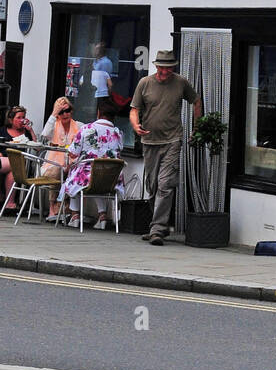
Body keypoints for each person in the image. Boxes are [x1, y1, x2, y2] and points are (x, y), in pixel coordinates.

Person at [130, 48, 201, 246]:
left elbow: (196, 101)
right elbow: (134, 110)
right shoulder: (145, 83)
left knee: (165, 184)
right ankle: (156, 225)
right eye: (162, 69)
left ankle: (157, 230)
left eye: (169, 69)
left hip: (173, 140)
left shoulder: (181, 82)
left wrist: (196, 129)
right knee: (152, 186)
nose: (165, 73)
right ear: (156, 67)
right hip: (149, 141)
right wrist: (136, 126)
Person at [58, 97, 125, 229]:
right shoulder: (118, 133)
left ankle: (75, 216)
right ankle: (103, 216)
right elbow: (119, 151)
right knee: (99, 178)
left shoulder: (86, 129)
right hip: (112, 178)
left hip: (88, 177)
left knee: (75, 175)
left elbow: (73, 152)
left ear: (99, 113)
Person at [40, 97, 80, 221]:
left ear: (71, 111)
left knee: (76, 172)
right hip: (51, 166)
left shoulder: (78, 126)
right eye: (61, 112)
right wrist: (53, 113)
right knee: (58, 170)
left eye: (67, 110)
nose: (64, 114)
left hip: (71, 165)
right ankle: (53, 207)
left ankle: (69, 209)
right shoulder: (54, 125)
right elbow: (45, 134)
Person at [1, 107, 37, 214]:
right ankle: (10, 204)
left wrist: (30, 130)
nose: (22, 120)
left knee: (16, 167)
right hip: (5, 161)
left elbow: (37, 148)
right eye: (19, 117)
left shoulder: (26, 132)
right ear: (11, 119)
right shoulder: (2, 130)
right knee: (12, 172)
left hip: (22, 163)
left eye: (23, 117)